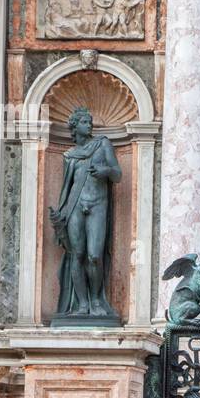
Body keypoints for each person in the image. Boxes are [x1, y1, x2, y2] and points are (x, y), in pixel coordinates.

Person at [49, 106, 121, 321]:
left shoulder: (102, 144)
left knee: (94, 256)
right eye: (84, 122)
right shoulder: (69, 155)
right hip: (75, 209)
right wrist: (60, 213)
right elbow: (66, 188)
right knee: (76, 256)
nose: (88, 125)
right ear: (74, 126)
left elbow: (117, 174)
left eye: (89, 122)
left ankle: (97, 300)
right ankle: (82, 304)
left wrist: (105, 171)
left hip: (98, 205)